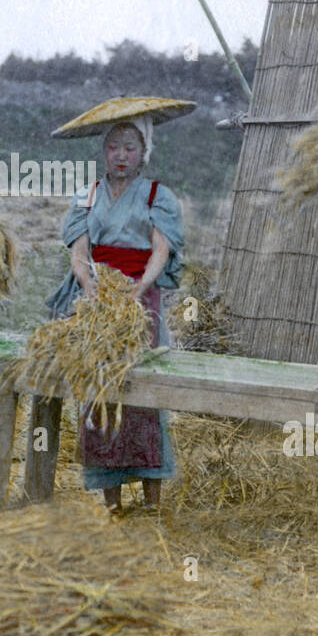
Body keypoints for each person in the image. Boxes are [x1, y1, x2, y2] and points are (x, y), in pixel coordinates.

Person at [46, 98, 191, 512]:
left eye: (130, 146)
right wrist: (91, 288)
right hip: (96, 300)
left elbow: (160, 251)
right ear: (103, 151)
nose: (121, 155)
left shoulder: (158, 197)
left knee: (140, 391)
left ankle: (152, 500)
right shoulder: (87, 197)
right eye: (113, 147)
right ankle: (111, 503)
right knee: (98, 392)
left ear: (144, 151)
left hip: (140, 302)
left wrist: (135, 291)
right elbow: (79, 252)